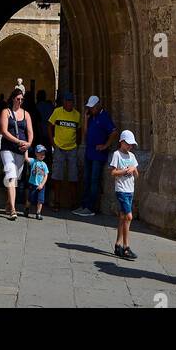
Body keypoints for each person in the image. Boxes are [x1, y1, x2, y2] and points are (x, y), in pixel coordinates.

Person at [74, 94, 118, 217]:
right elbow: (86, 133)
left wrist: (105, 146)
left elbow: (114, 132)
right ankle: (84, 205)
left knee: (94, 180)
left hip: (98, 155)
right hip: (89, 152)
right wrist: (86, 119)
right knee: (87, 179)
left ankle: (91, 207)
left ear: (98, 106)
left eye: (92, 107)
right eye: (89, 107)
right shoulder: (92, 117)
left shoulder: (104, 117)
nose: (91, 109)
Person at [0, 86, 33, 220]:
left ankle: (8, 202)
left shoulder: (26, 114)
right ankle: (13, 209)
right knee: (11, 175)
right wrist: (18, 141)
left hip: (21, 150)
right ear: (13, 99)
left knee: (15, 178)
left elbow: (30, 131)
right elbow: (4, 131)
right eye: (18, 99)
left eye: (22, 99)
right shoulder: (5, 112)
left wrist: (29, 143)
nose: (20, 101)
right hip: (8, 148)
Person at [48, 90, 81, 209]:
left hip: (72, 149)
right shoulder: (57, 112)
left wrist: (77, 143)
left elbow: (79, 130)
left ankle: (73, 202)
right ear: (64, 102)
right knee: (57, 176)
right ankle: (56, 201)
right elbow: (49, 126)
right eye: (68, 101)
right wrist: (53, 143)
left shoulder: (77, 115)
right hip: (59, 148)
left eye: (72, 101)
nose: (70, 104)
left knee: (73, 177)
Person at [110, 130, 139, 260]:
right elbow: (113, 172)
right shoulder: (117, 154)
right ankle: (126, 247)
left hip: (130, 189)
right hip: (121, 189)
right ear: (122, 142)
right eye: (128, 144)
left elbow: (137, 174)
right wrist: (125, 171)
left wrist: (133, 170)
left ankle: (118, 244)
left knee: (123, 217)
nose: (129, 146)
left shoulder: (132, 156)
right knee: (129, 216)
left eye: (131, 144)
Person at [24, 144, 50, 220]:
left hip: (41, 186)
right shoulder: (33, 161)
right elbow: (26, 159)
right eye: (40, 153)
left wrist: (42, 184)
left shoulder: (44, 165)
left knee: (40, 200)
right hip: (32, 184)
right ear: (36, 153)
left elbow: (46, 175)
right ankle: (27, 209)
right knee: (30, 199)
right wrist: (26, 149)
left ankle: (38, 213)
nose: (42, 155)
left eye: (43, 154)